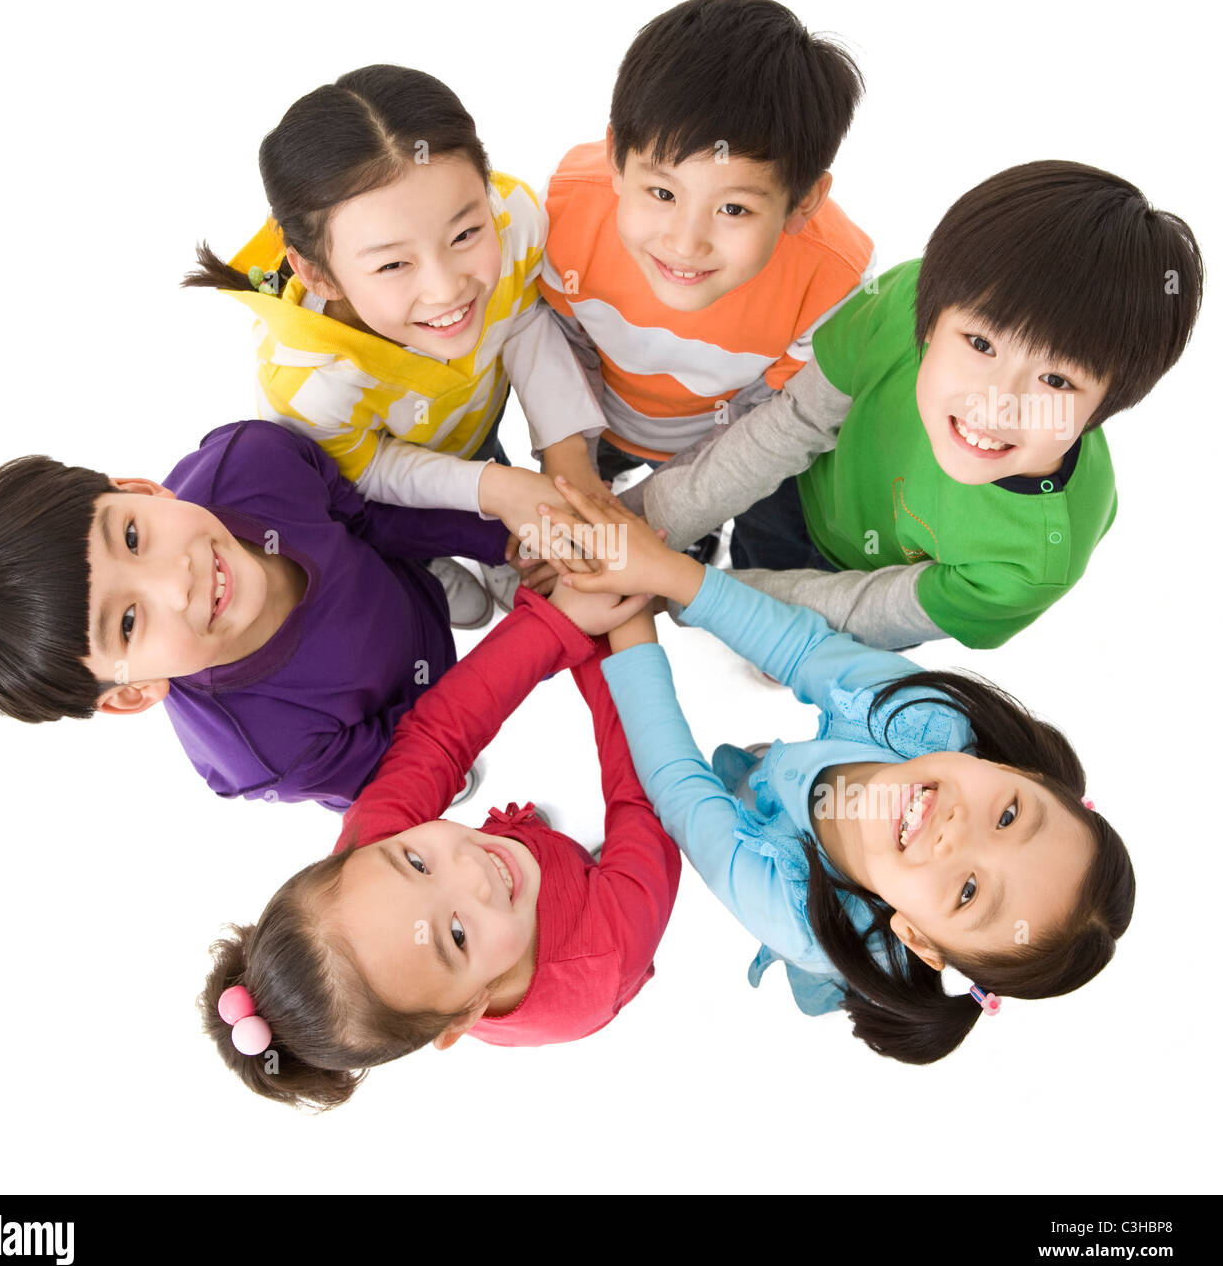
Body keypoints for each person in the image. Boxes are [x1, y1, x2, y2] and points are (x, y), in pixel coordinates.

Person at [549, 479, 1133, 1063]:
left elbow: (678, 790)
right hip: (825, 779)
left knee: (738, 799)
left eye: (969, 891)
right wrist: (657, 572)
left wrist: (623, 616)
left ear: (916, 937)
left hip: (812, 897)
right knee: (776, 769)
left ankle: (767, 786)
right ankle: (783, 775)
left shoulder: (789, 910)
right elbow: (800, 650)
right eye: (1007, 815)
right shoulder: (928, 721)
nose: (957, 830)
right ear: (1014, 770)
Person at [620, 161, 1204, 649]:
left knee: (777, 645)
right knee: (753, 544)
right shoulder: (903, 303)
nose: (994, 405)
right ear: (930, 323)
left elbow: (862, 609)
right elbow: (789, 424)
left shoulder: (1033, 562)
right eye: (980, 345)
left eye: (1056, 380)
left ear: (1109, 405)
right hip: (797, 482)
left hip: (871, 583)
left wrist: (681, 587)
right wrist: (626, 532)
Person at [201, 581, 682, 1109]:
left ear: (354, 850)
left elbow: (441, 734)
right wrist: (614, 648)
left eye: (417, 862)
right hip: (602, 939)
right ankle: (593, 873)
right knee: (640, 847)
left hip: (547, 894)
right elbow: (646, 800)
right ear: (465, 1016)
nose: (473, 871)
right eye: (454, 935)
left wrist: (555, 625)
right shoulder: (608, 950)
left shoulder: (372, 849)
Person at [0, 420, 557, 809]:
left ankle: (436, 582)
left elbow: (366, 515)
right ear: (135, 694)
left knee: (397, 555)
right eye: (128, 623)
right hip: (400, 728)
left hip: (391, 577)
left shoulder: (252, 462)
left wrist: (496, 541)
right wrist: (536, 633)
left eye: (132, 537)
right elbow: (417, 742)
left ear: (140, 491)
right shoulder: (266, 750)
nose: (176, 581)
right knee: (419, 777)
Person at [184, 63, 607, 617]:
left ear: (487, 189)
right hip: (376, 487)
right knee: (395, 527)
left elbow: (524, 318)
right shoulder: (305, 383)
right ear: (319, 276)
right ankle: (420, 560)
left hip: (469, 427)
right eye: (392, 264)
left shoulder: (515, 219)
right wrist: (499, 489)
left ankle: (501, 547)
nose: (446, 288)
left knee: (488, 474)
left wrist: (564, 453)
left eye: (464, 234)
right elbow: (375, 469)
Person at [537, 0, 873, 565]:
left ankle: (692, 532)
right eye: (663, 193)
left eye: (734, 209)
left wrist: (661, 513)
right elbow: (558, 343)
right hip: (600, 413)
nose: (685, 243)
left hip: (716, 440)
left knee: (685, 515)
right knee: (599, 472)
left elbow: (770, 424)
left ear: (803, 202)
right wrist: (576, 476)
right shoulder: (569, 206)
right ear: (618, 158)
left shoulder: (832, 284)